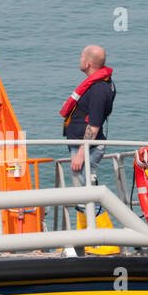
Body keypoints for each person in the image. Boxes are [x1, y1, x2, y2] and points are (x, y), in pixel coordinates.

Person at [60, 44, 115, 216]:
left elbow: (94, 124)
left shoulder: (99, 89)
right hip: (82, 145)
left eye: (82, 57)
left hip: (86, 147)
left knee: (87, 197)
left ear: (89, 63)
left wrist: (81, 153)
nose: (80, 60)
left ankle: (101, 238)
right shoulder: (97, 85)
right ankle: (87, 238)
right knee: (82, 198)